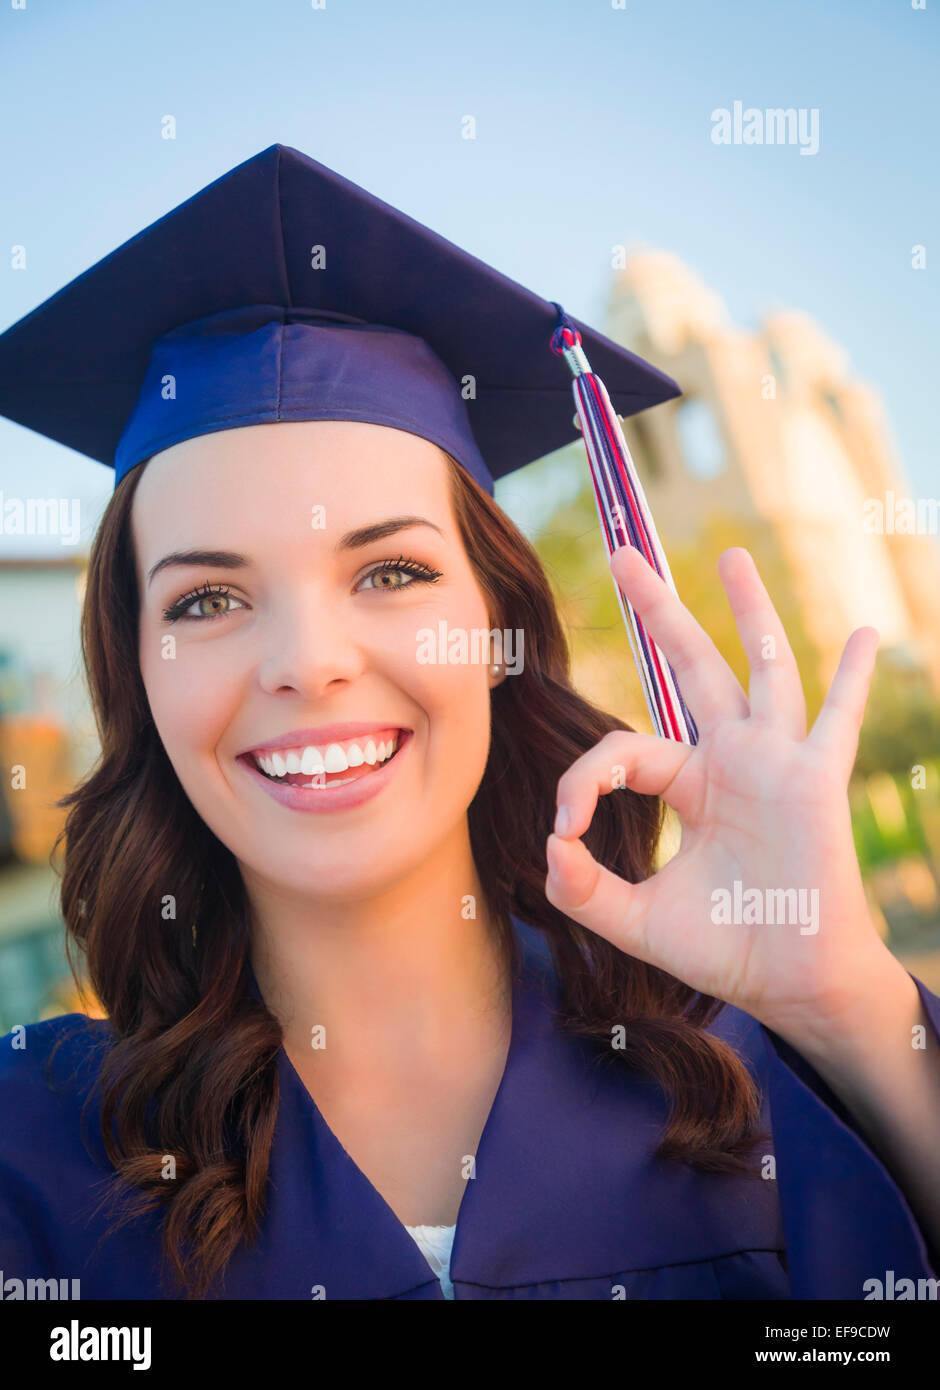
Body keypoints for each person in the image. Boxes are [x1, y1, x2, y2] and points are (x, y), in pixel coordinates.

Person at [0, 144, 937, 1302]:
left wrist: (843, 996)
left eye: (389, 571)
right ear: (135, 672)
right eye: (207, 598)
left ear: (497, 626)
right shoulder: (33, 1155)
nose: (308, 663)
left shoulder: (739, 1066)